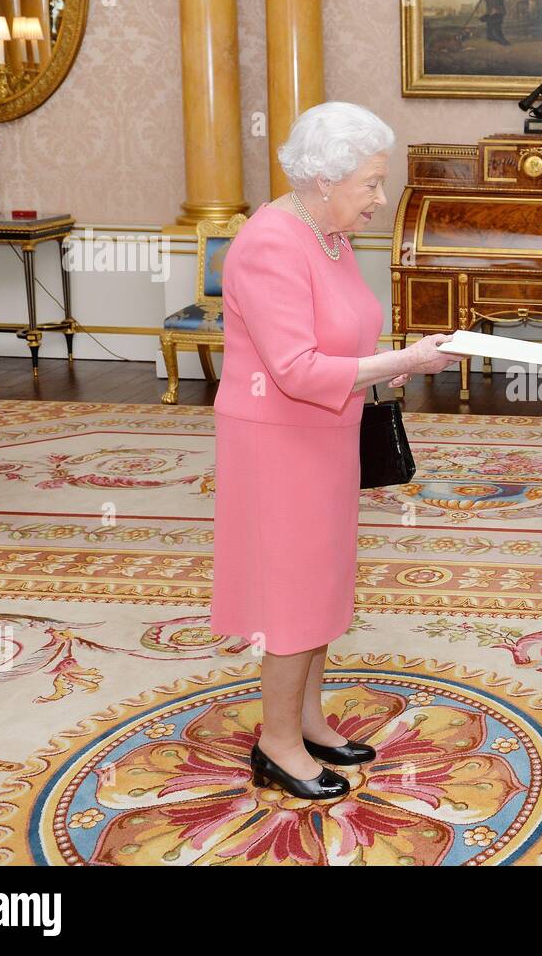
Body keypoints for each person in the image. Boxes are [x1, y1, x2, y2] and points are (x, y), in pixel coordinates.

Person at [209, 102, 461, 800]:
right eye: (372, 183)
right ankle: (277, 741)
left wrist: (389, 362)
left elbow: (340, 340)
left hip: (328, 432)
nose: (382, 198)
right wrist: (395, 361)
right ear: (324, 179)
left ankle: (308, 719)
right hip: (278, 440)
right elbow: (292, 367)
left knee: (321, 582)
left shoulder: (330, 235)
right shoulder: (271, 243)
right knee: (291, 592)